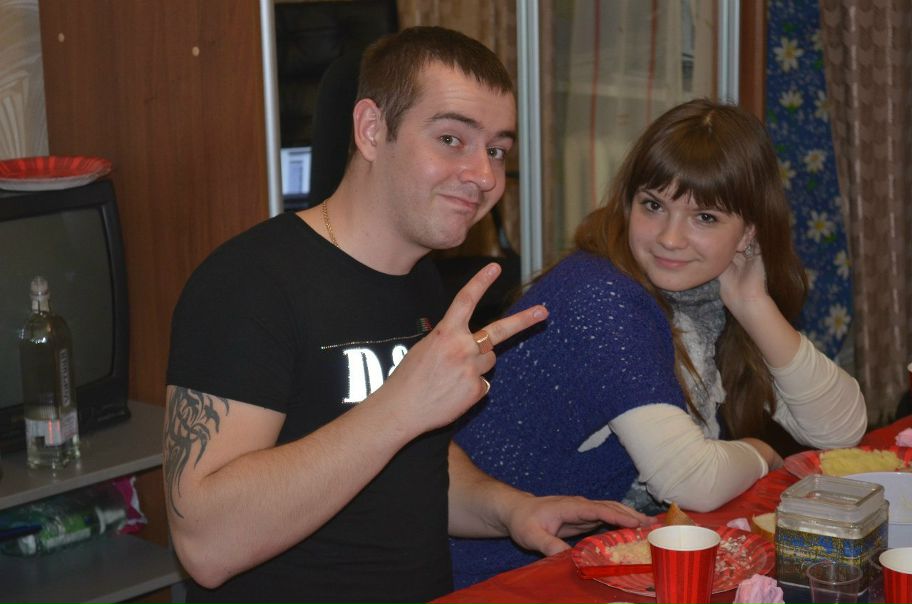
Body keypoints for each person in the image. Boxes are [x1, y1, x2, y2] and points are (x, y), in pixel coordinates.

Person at [162, 26, 652, 604]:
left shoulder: (418, 278)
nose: (484, 176)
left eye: (496, 150)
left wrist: (512, 511)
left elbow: (415, 467)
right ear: (372, 130)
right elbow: (206, 546)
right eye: (451, 139)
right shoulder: (247, 284)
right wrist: (400, 406)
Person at [450, 98, 868, 587]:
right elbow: (690, 480)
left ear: (748, 233)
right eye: (653, 205)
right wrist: (762, 452)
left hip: (570, 563)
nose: (670, 238)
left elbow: (840, 430)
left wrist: (752, 302)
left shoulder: (705, 297)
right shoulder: (603, 295)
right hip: (494, 576)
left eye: (705, 217)